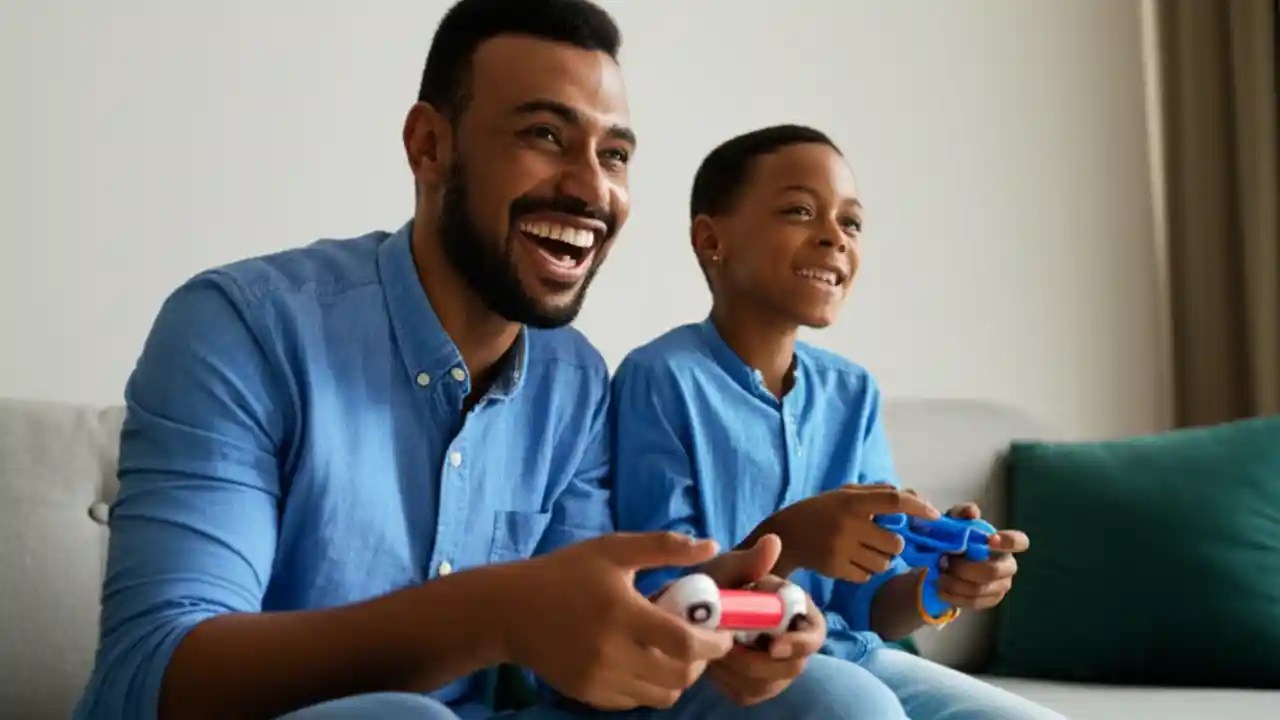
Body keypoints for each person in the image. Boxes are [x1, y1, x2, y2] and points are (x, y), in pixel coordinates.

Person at [70, 3, 876, 719]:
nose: (591, 190)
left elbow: (565, 671)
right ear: (430, 146)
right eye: (544, 136)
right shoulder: (238, 329)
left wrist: (687, 620)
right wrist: (496, 613)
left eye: (616, 155)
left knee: (836, 698)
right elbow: (157, 678)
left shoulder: (576, 382)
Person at [612, 124, 1067, 719]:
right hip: (717, 667)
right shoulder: (659, 379)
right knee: (859, 710)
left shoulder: (852, 393)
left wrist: (942, 583)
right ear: (709, 239)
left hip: (849, 655)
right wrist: (791, 539)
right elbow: (664, 601)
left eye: (850, 223)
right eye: (800, 211)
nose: (834, 238)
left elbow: (874, 605)